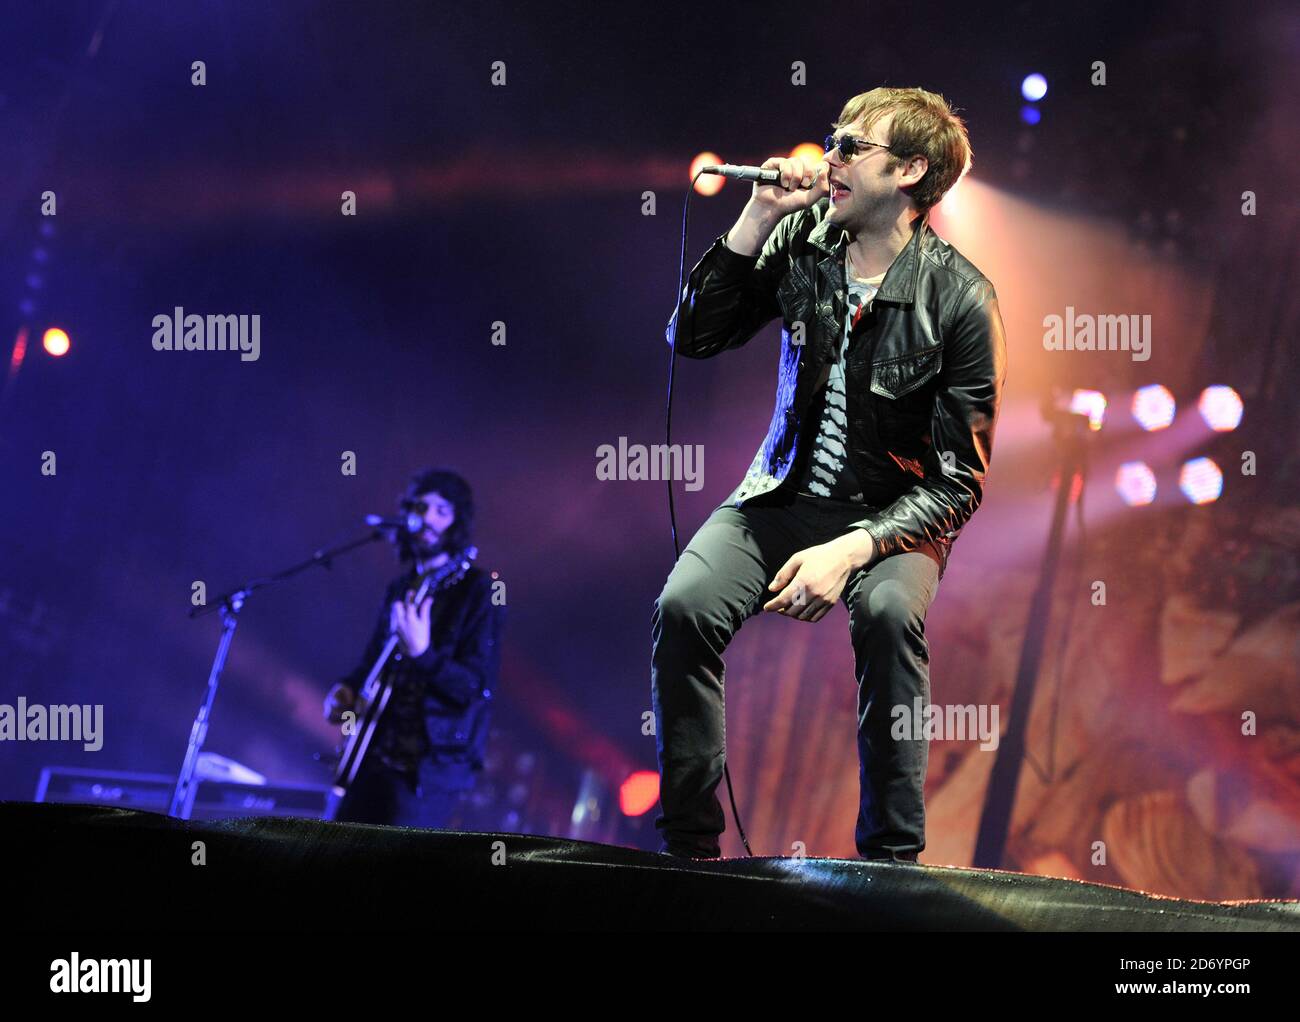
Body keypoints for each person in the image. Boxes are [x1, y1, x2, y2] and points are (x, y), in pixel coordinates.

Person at [652, 87, 1008, 861]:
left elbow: (958, 484)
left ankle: (890, 863)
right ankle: (688, 851)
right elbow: (693, 335)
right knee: (684, 606)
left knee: (887, 620)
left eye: (854, 147)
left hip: (891, 517)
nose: (831, 157)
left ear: (911, 170)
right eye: (832, 140)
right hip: (781, 493)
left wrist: (854, 548)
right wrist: (756, 219)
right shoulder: (804, 241)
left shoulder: (962, 299)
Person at [324, 467, 503, 829]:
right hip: (369, 757)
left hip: (425, 773)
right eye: (421, 508)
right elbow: (373, 662)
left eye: (442, 509)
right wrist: (346, 689)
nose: (429, 519)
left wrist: (423, 654)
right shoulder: (400, 587)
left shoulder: (480, 590)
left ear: (457, 521)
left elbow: (474, 687)